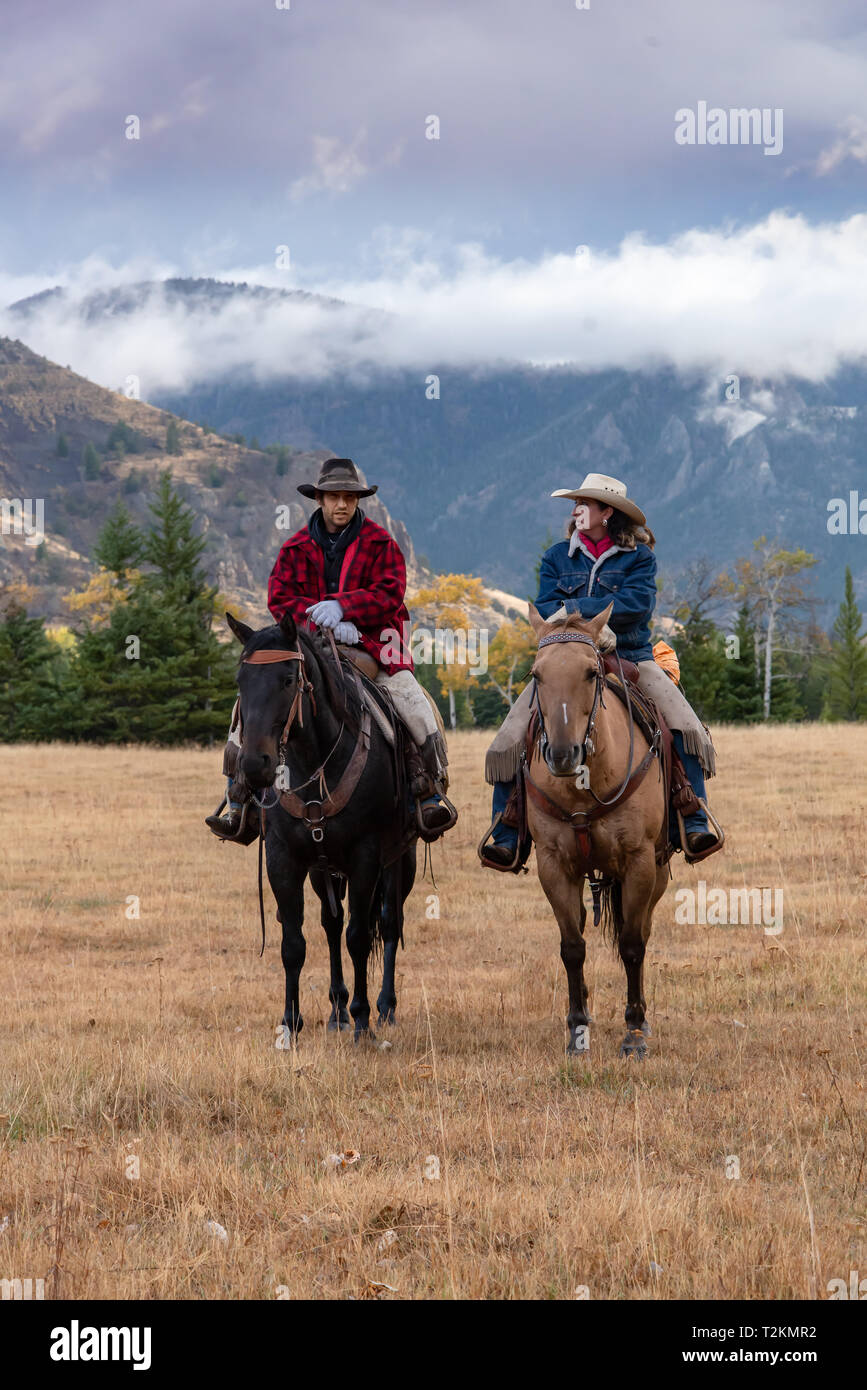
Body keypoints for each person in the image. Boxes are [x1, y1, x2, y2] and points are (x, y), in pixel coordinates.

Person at [481, 472, 722, 869]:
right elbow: (545, 605)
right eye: (575, 504)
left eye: (585, 504)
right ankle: (506, 830)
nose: (576, 509)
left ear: (607, 512)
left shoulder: (639, 557)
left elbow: (636, 604)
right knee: (509, 736)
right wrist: (588, 616)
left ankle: (692, 817)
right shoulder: (557, 556)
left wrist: (577, 609)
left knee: (684, 726)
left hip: (631, 656)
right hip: (567, 660)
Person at [205, 457, 455, 840]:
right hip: (308, 646)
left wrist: (347, 610)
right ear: (319, 499)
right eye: (334, 496)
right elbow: (280, 599)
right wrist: (315, 621)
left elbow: (390, 592)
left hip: (373, 642)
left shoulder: (380, 543)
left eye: (349, 497)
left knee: (408, 697)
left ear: (358, 501)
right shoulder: (294, 548)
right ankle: (239, 799)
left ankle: (427, 791)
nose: (342, 504)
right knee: (252, 703)